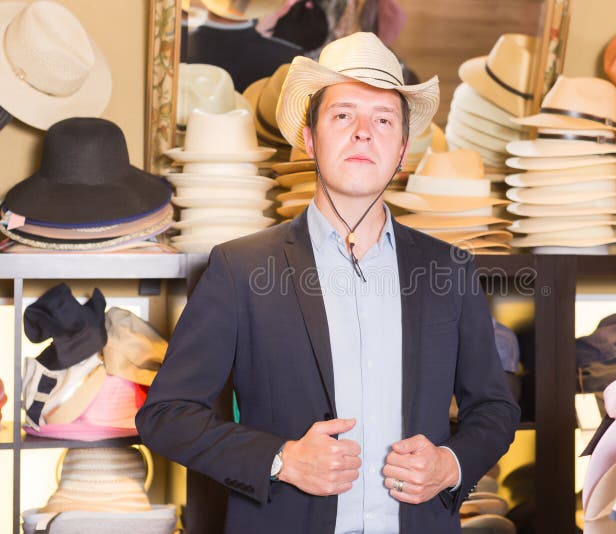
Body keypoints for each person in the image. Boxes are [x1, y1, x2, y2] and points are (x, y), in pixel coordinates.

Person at [136, 32, 519, 533]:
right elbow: (165, 415)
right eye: (343, 115)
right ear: (310, 137)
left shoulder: (450, 269)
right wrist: (281, 459)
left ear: (402, 149)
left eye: (383, 120)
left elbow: (493, 407)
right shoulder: (240, 269)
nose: (364, 132)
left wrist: (452, 463)